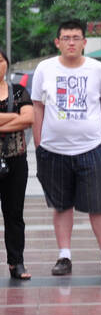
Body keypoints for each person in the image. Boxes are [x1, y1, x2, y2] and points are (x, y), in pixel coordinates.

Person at [30, 19, 101, 276]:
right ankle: (64, 256)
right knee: (61, 206)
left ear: (84, 42)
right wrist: (39, 144)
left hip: (92, 149)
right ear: (57, 42)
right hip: (53, 151)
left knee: (99, 204)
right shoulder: (44, 69)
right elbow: (37, 107)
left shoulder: (97, 69)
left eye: (75, 38)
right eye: (66, 38)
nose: (70, 42)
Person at [0, 48, 33, 279]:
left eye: (0, 60)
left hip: (15, 161)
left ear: (7, 64)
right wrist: (14, 116)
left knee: (14, 214)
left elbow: (29, 119)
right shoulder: (17, 100)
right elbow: (20, 118)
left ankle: (16, 263)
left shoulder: (19, 90)